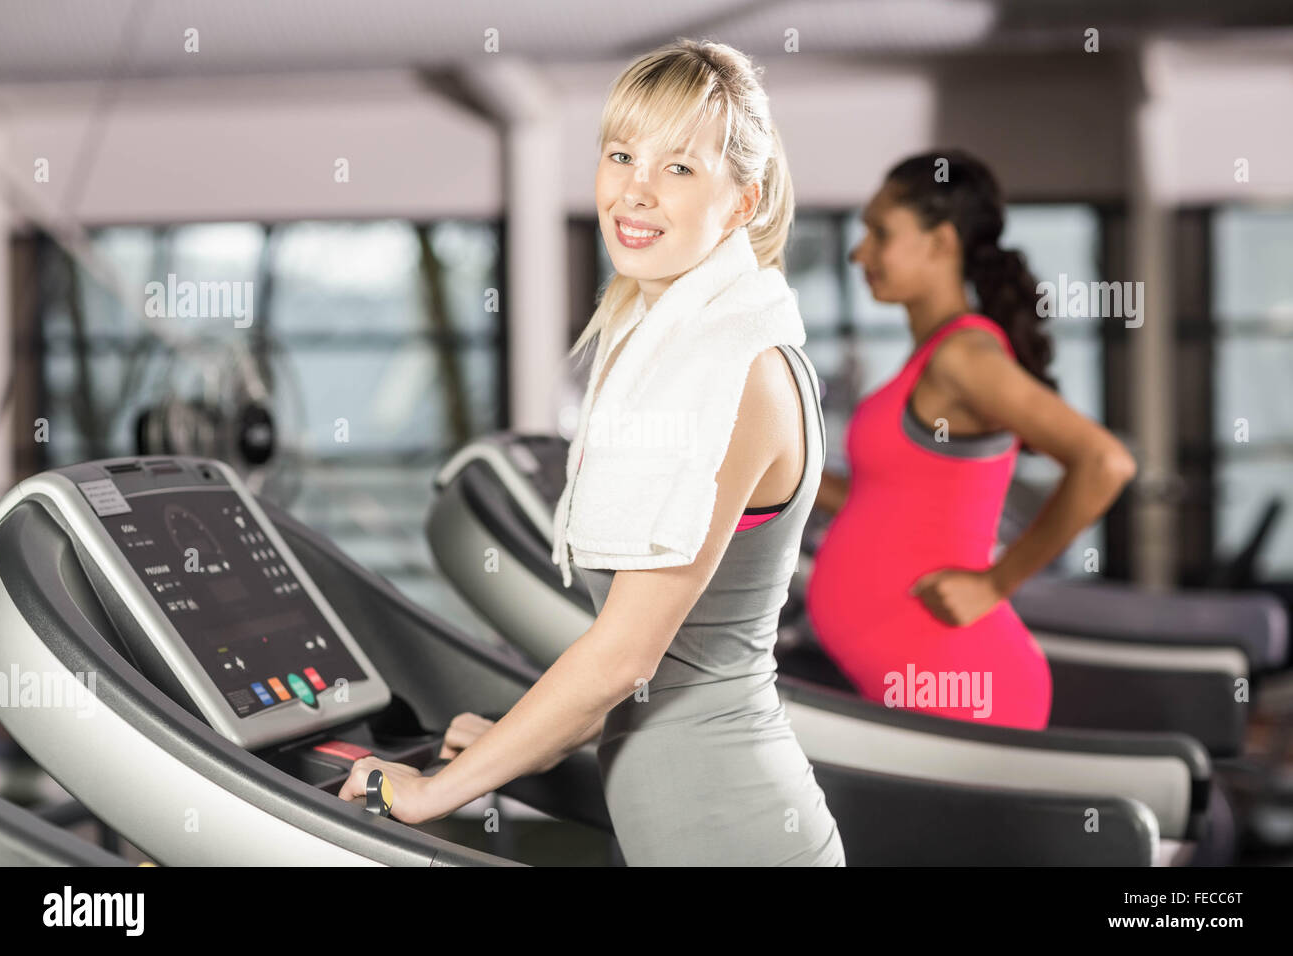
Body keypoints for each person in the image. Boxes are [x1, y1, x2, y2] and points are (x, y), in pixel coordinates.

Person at [340, 39, 844, 866]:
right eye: (621, 155)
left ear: (744, 200)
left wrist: (431, 795)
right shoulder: (679, 344)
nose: (634, 190)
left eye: (679, 167)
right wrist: (510, 735)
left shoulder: (741, 375)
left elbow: (625, 660)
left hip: (735, 830)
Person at [805, 150, 1137, 730]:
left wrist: (995, 583)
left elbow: (1105, 461)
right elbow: (880, 503)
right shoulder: (932, 356)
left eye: (880, 233)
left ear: (941, 243)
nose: (860, 253)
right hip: (914, 680)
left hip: (962, 682)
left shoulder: (965, 356)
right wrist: (786, 473)